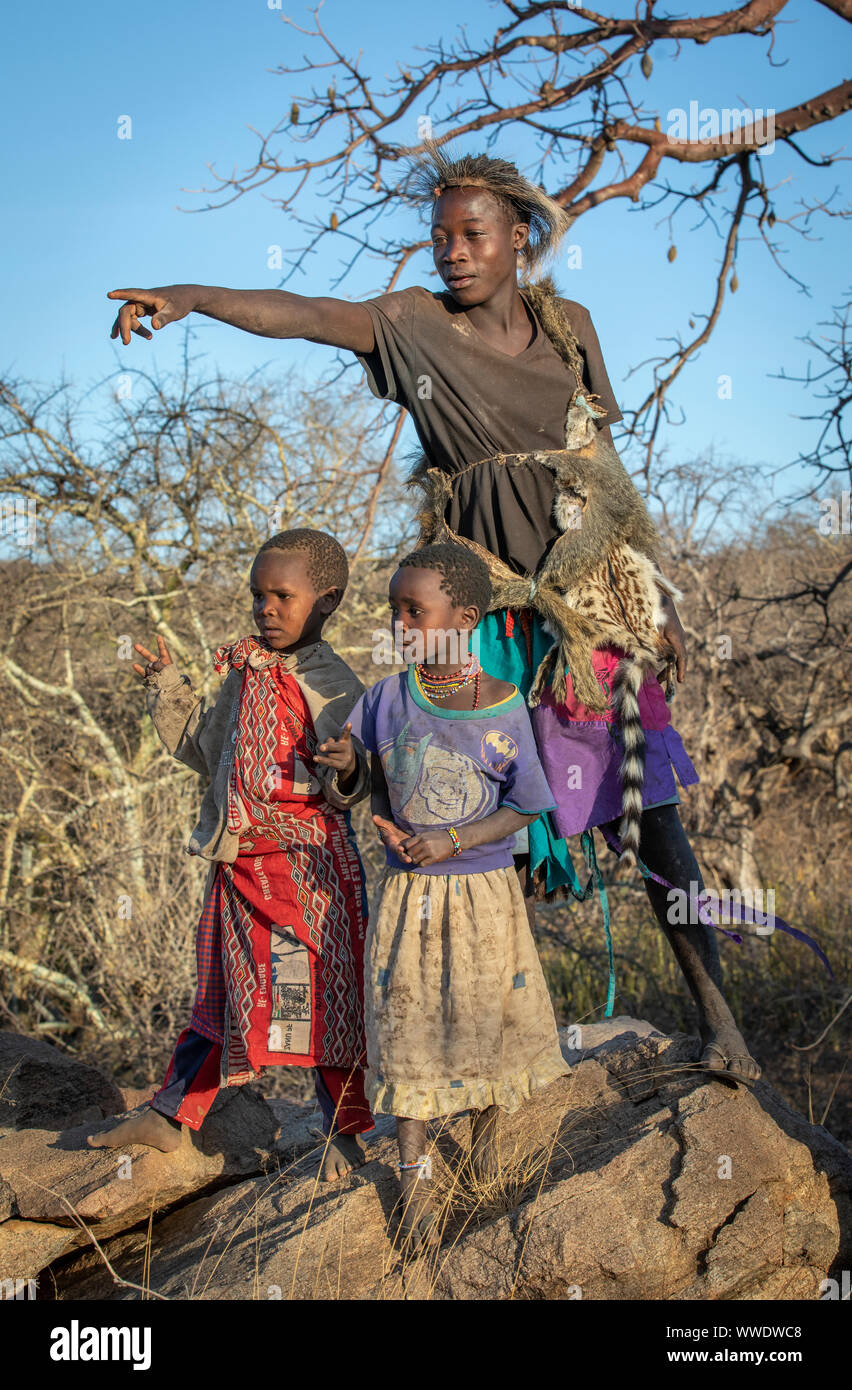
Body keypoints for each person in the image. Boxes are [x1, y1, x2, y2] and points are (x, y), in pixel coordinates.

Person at [103, 149, 760, 1090]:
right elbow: (309, 317)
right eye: (441, 235)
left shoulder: (569, 327)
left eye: (473, 234)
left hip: (589, 612)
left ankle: (724, 1028)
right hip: (482, 610)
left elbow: (606, 470)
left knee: (652, 818)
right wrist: (193, 296)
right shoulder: (414, 324)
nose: (452, 251)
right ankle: (484, 1062)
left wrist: (648, 595)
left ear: (519, 238)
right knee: (471, 823)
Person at [89, 528, 374, 1181]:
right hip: (238, 863)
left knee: (320, 1000)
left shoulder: (333, 685)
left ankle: (343, 1131)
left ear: (327, 600)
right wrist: (166, 683)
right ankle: (167, 1115)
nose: (265, 608)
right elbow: (203, 748)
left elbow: (358, 778)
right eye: (257, 595)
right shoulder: (245, 674)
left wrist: (350, 764)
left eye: (283, 595)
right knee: (219, 997)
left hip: (305, 871)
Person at [340, 541, 568, 1249]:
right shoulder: (382, 699)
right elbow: (361, 787)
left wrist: (456, 839)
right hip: (408, 898)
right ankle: (415, 1180)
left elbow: (528, 805)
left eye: (416, 610)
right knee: (408, 1029)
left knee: (491, 1018)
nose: (401, 622)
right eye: (394, 609)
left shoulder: (503, 708)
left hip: (484, 899)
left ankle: (491, 1156)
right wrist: (346, 766)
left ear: (464, 616)